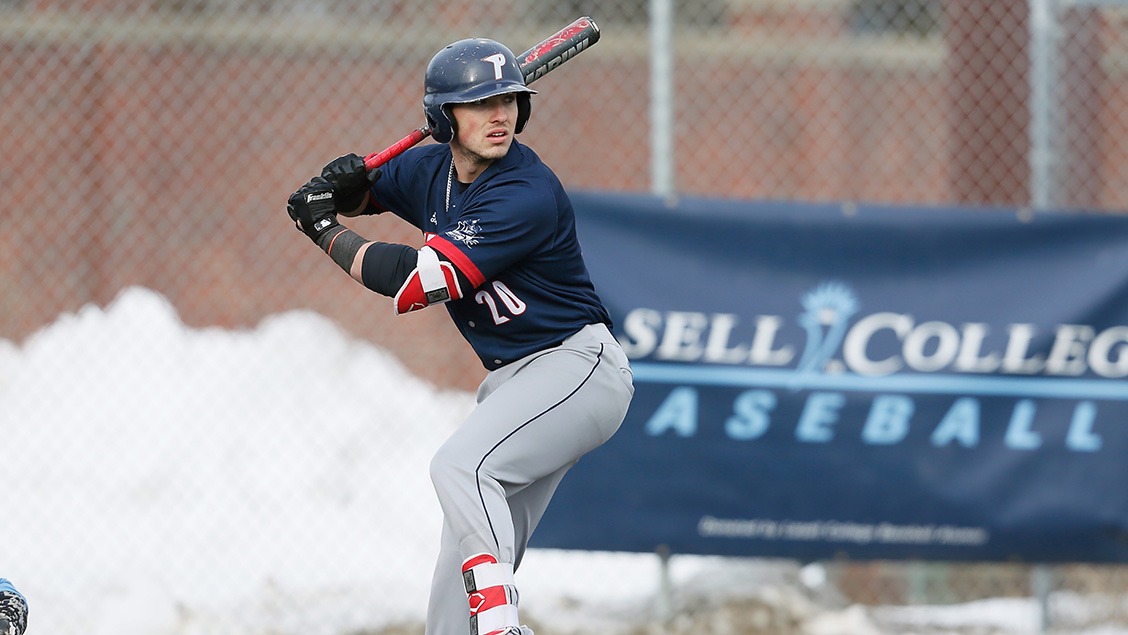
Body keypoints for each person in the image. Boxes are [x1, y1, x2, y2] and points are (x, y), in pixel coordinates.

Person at [285, 37, 634, 635]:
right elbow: (371, 192)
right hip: (513, 384)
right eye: (480, 103)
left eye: (509, 101)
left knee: (461, 468)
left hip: (576, 370)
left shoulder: (524, 192)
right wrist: (339, 187)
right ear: (443, 118)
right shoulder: (431, 170)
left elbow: (417, 282)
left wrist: (323, 231)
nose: (500, 116)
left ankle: (503, 627)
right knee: (456, 578)